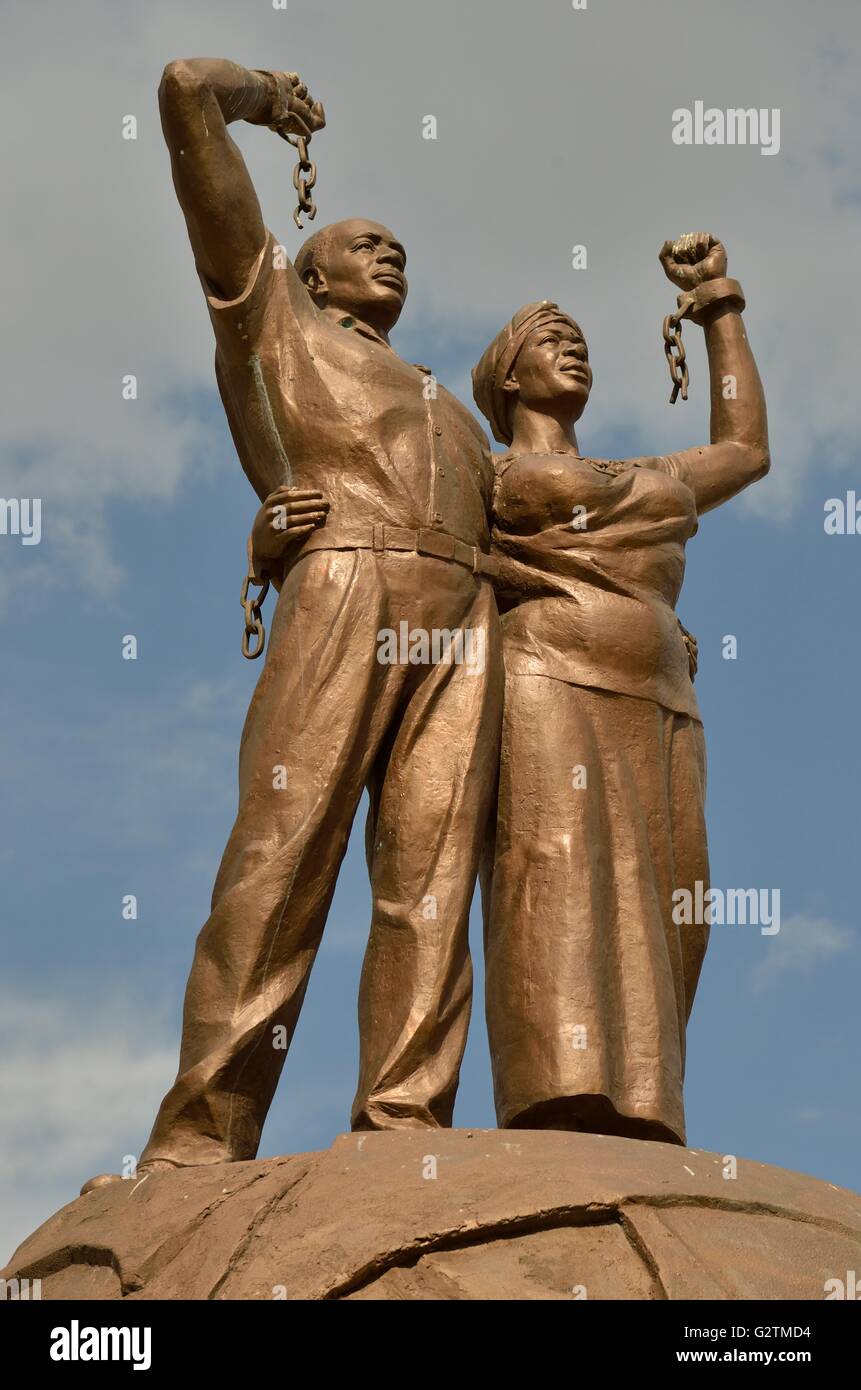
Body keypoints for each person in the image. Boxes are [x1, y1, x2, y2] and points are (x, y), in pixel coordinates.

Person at [84, 59, 502, 1190]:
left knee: (432, 881)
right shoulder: (270, 320)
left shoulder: (457, 415)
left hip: (467, 611)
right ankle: (198, 1139)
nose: (389, 255)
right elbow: (182, 95)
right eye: (363, 243)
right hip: (345, 579)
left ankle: (405, 1119)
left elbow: (543, 541)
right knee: (282, 855)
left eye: (400, 250)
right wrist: (266, 97)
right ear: (307, 272)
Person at [471, 233, 769, 1144]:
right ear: (507, 379)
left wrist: (717, 304)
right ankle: (555, 1097)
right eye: (547, 336)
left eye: (579, 338)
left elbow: (746, 449)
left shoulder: (650, 475)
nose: (572, 346)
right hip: (545, 676)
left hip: (662, 702)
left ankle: (644, 1103)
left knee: (671, 899)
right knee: (555, 872)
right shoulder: (482, 470)